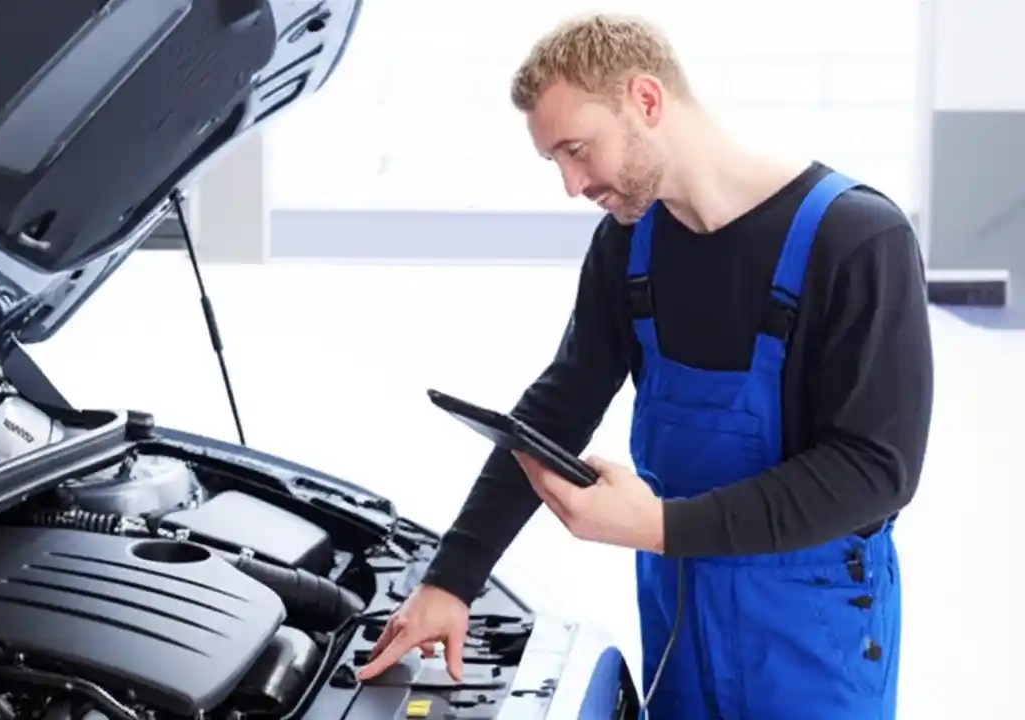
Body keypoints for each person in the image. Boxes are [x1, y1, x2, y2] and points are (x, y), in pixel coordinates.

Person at [355, 12, 933, 720]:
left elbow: (875, 472)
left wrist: (663, 526)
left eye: (577, 149)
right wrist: (451, 579)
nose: (571, 183)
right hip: (680, 619)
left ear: (647, 102)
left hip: (813, 642)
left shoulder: (856, 239)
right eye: (554, 162)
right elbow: (557, 409)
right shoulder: (628, 250)